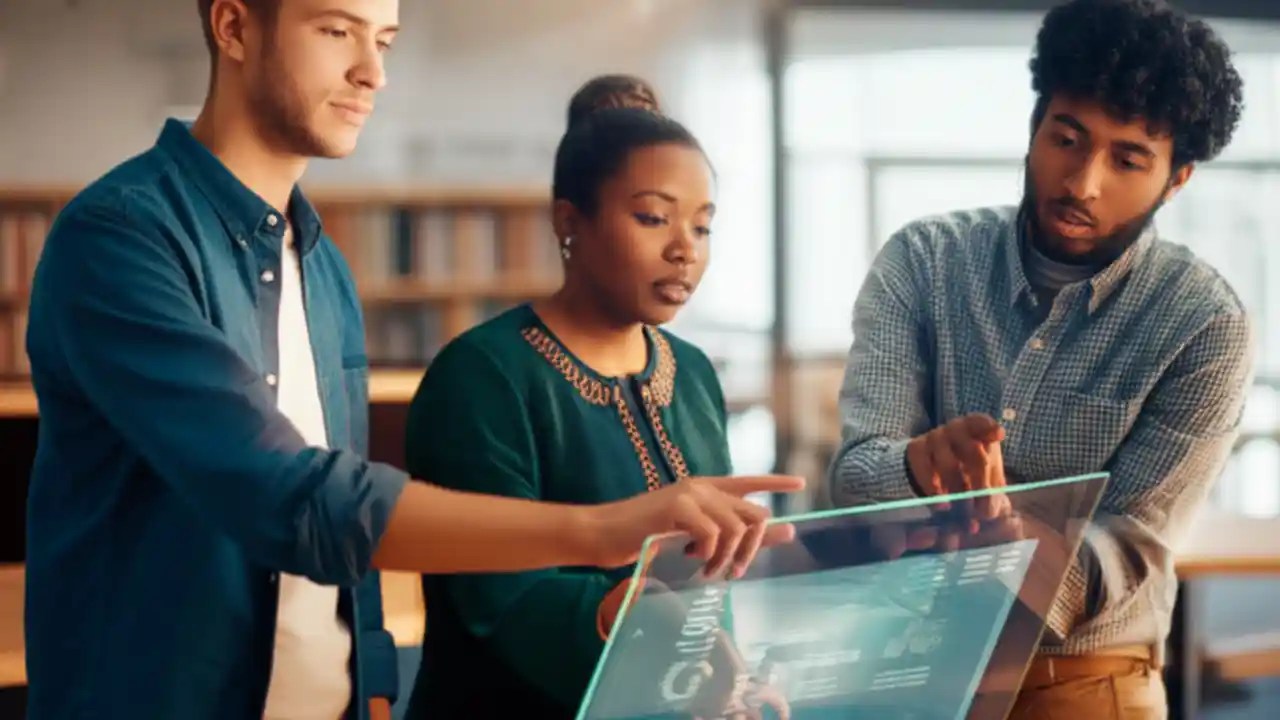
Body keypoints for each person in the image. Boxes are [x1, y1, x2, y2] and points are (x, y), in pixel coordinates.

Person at [21, 3, 803, 719]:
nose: (373, 71)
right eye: (337, 31)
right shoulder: (119, 238)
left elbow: (339, 505)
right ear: (233, 26)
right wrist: (603, 533)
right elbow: (292, 497)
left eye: (383, 39)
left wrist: (375, 685)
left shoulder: (321, 264)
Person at [826, 0, 1253, 717]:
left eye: (1128, 159)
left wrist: (1017, 545)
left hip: (1085, 679)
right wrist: (914, 467)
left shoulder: (1203, 322)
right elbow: (854, 474)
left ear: (1175, 179)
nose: (1083, 182)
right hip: (908, 663)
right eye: (1068, 139)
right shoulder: (925, 262)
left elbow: (1130, 550)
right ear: (1033, 129)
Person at [401, 75, 787, 718]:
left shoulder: (690, 372)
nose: (683, 250)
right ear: (568, 221)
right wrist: (627, 619)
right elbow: (501, 597)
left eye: (702, 227)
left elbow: (708, 586)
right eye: (652, 218)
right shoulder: (483, 374)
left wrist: (737, 688)